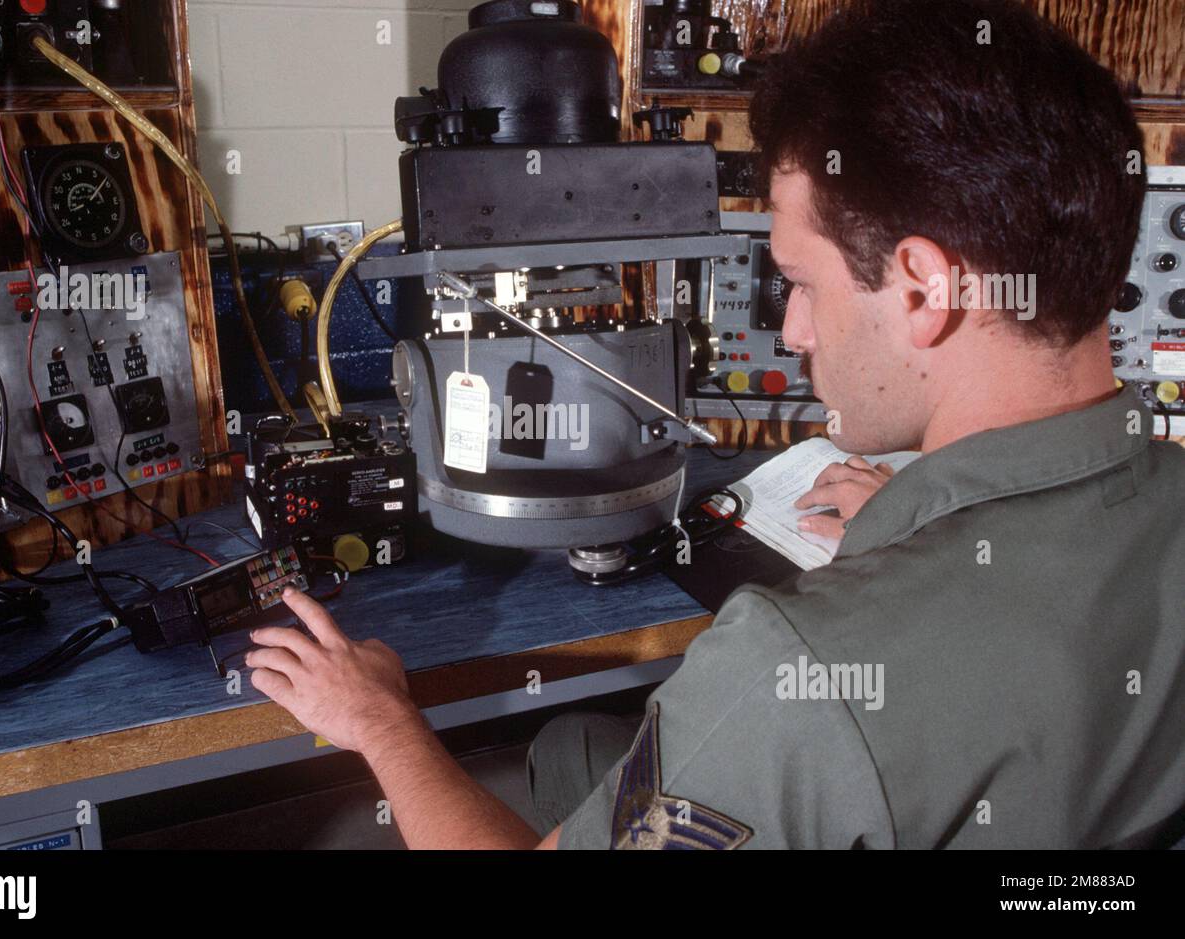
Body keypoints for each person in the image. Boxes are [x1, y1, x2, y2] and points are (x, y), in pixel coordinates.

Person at [246, 0, 1185, 849]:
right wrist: (934, 530)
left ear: (925, 289)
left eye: (803, 282)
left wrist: (380, 720)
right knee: (577, 741)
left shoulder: (794, 669)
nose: (793, 328)